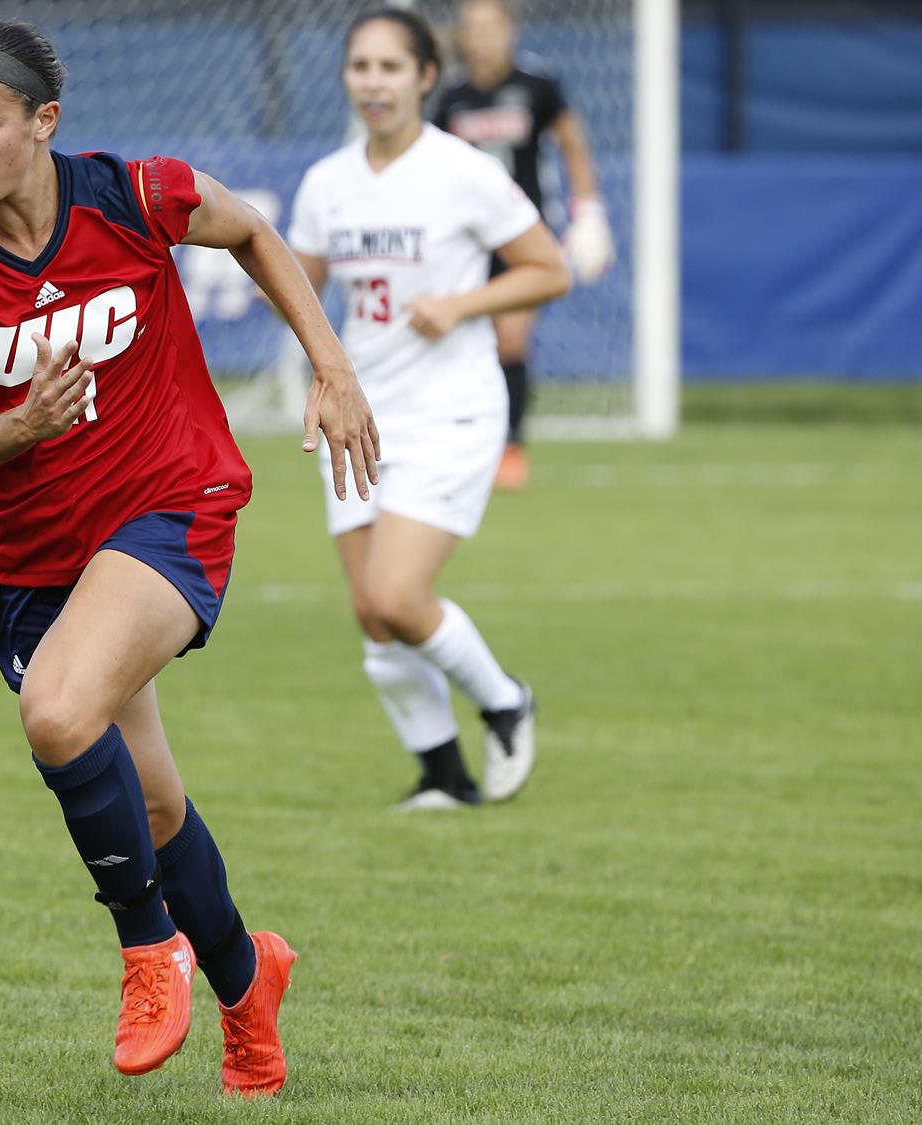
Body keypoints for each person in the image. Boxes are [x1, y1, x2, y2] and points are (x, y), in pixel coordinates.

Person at [0, 18, 378, 1096]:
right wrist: (24, 427)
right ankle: (250, 984)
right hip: (37, 560)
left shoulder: (134, 195)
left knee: (57, 713)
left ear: (43, 124)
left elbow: (251, 234)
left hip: (168, 507)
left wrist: (328, 365)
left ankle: (149, 950)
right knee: (146, 806)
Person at [287, 9, 568, 811]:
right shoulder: (327, 183)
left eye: (389, 67)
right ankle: (443, 774)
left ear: (424, 78)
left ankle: (506, 699)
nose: (373, 82)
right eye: (360, 67)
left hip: (449, 411)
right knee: (372, 618)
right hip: (360, 419)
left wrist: (462, 303)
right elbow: (295, 287)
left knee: (397, 597)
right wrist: (324, 365)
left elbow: (548, 270)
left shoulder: (464, 171)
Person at [434, 0, 613, 489]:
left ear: (510, 31)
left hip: (522, 235)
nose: (484, 38)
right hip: (466, 239)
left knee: (510, 338)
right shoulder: (451, 95)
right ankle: (459, 436)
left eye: (492, 27)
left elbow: (574, 145)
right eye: (474, 28)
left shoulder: (537, 85)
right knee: (460, 339)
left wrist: (589, 214)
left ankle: (510, 445)